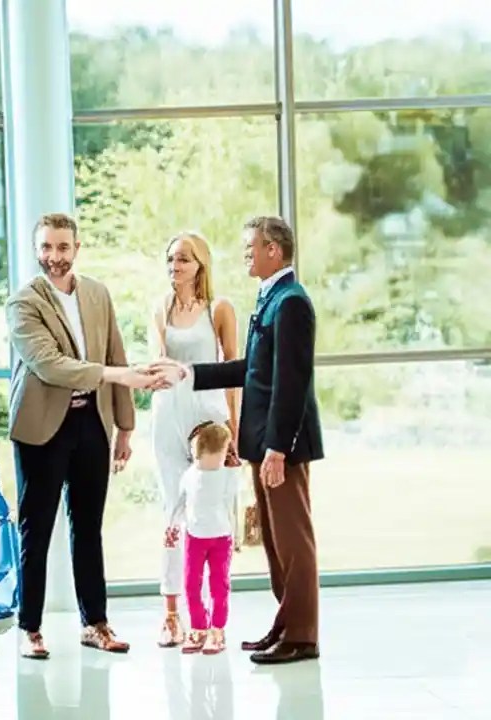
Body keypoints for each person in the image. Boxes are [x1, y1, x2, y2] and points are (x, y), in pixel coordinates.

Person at [151, 215, 324, 665]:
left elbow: (291, 383)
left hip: (281, 445)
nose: (246, 255)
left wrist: (277, 448)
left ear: (274, 250)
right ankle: (285, 626)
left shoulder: (292, 303)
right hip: (264, 442)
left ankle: (302, 635)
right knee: (275, 541)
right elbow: (252, 369)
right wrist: (188, 373)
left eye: (251, 248)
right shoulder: (271, 298)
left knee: (293, 541)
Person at [8, 212, 165, 659]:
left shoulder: (97, 294)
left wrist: (125, 426)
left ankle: (95, 623)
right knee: (36, 529)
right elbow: (50, 365)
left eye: (62, 247)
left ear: (76, 248)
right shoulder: (23, 303)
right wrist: (116, 375)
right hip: (42, 427)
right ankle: (30, 627)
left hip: (92, 422)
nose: (54, 256)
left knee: (89, 528)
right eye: (46, 247)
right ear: (36, 250)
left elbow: (116, 351)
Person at [147, 231, 241, 648]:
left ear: (201, 264)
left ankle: (213, 620)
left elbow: (234, 372)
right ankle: (171, 615)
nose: (175, 266)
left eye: (184, 259)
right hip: (169, 416)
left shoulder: (220, 309)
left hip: (209, 417)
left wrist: (235, 428)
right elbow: (157, 364)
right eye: (170, 259)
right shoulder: (159, 309)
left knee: (210, 511)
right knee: (173, 512)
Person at [165, 421, 237, 655]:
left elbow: (232, 505)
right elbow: (180, 503)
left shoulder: (228, 475)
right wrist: (172, 526)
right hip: (195, 538)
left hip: (221, 538)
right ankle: (198, 627)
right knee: (191, 584)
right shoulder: (190, 475)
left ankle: (217, 629)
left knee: (219, 586)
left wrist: (237, 537)